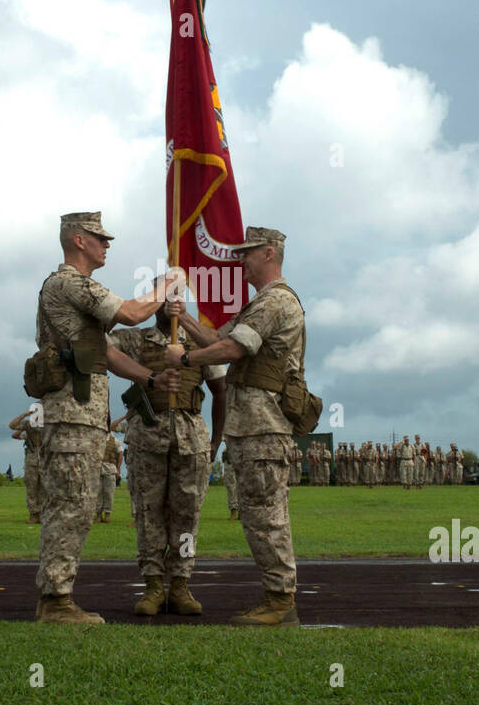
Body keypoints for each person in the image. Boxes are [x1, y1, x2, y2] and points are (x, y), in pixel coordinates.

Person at [28, 211, 184, 624]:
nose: (106, 245)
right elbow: (132, 314)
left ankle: (56, 597)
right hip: (72, 414)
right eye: (100, 238)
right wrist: (167, 284)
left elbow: (108, 354)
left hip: (83, 414)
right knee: (71, 504)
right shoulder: (69, 283)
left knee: (77, 503)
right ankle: (57, 601)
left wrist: (150, 377)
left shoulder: (75, 289)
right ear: (78, 240)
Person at [166, 226, 307, 627]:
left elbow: (232, 349)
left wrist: (185, 360)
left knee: (267, 515)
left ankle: (280, 600)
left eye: (247, 254)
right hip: (251, 428)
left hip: (264, 427)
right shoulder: (258, 304)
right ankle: (276, 597)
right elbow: (215, 336)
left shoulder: (275, 302)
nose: (240, 261)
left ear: (268, 253)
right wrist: (185, 319)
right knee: (256, 513)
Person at [109, 303, 227, 615]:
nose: (170, 304)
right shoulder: (136, 340)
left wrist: (216, 440)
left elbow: (220, 389)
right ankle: (152, 586)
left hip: (191, 438)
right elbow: (100, 342)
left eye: (176, 296)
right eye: (162, 298)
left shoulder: (198, 341)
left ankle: (180, 584)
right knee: (148, 513)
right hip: (147, 437)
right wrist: (129, 311)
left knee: (187, 513)